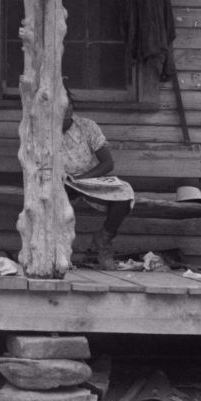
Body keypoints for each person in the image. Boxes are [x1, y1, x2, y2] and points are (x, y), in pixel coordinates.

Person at [61, 96, 134, 270]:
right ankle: (60, 253)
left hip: (88, 179)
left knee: (123, 194)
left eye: (69, 103)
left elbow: (107, 164)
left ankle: (104, 238)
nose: (66, 107)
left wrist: (82, 179)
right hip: (61, 181)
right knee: (54, 202)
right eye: (61, 103)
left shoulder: (87, 127)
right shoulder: (44, 129)